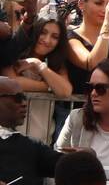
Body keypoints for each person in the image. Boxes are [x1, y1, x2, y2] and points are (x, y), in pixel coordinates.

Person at [2, 14, 73, 146]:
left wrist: (39, 66)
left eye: (54, 37)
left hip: (44, 140)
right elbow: (12, 82)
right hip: (12, 137)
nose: (47, 40)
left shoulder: (57, 63)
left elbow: (65, 91)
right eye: (43, 33)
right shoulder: (15, 55)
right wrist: (49, 86)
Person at [56, 59, 109, 170]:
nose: (93, 93)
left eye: (100, 88)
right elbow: (57, 163)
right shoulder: (77, 118)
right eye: (90, 88)